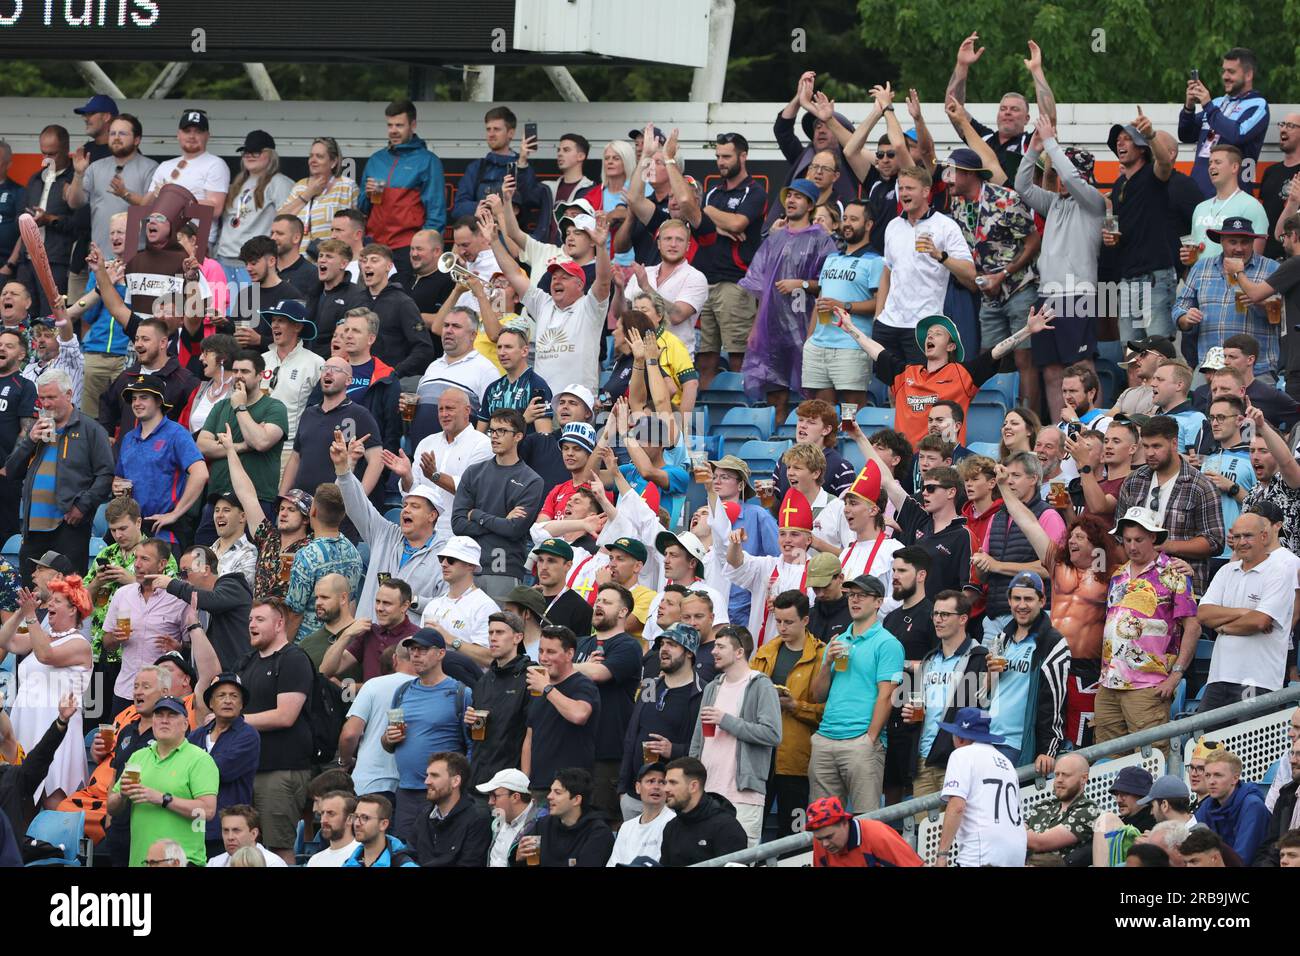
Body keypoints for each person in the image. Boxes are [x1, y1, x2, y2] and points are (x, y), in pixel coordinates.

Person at [736, 177, 839, 420]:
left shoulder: (821, 239)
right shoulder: (774, 239)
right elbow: (761, 288)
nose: (791, 201)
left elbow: (830, 284)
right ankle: (778, 448)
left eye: (798, 197)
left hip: (807, 328)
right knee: (776, 397)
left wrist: (801, 284)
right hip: (773, 329)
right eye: (789, 196)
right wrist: (755, 329)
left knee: (811, 398)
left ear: (811, 205)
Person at [487, 207, 612, 396]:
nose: (557, 281)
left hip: (577, 402)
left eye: (564, 277)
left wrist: (601, 247)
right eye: (554, 277)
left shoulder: (590, 307)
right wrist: (495, 241)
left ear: (580, 284)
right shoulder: (543, 304)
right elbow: (513, 273)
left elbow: (603, 281)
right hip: (541, 404)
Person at [808, 574, 902, 815]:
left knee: (866, 822)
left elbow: (887, 695)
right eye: (851, 595)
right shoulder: (837, 641)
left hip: (860, 740)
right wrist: (827, 661)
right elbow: (817, 695)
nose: (855, 600)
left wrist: (869, 739)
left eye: (862, 595)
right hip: (826, 737)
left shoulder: (887, 643)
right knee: (822, 821)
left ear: (879, 602)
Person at [7, 368, 114, 579]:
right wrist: (30, 440)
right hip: (33, 529)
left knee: (67, 593)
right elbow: (11, 471)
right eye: (41, 398)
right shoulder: (36, 429)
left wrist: (82, 506)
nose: (45, 404)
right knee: (30, 592)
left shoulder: (90, 429)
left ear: (68, 394)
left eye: (51, 397)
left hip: (68, 526)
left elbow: (106, 474)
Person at [234, 598, 316, 865]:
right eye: (249, 620)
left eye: (259, 620)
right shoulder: (247, 663)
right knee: (246, 848)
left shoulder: (294, 658)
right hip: (249, 769)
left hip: (281, 770)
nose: (251, 625)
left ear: (279, 623)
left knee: (278, 848)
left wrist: (238, 721)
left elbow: (285, 715)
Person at [333, 431, 444, 626]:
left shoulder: (444, 555)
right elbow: (357, 503)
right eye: (405, 505)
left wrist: (411, 601)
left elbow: (448, 605)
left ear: (432, 516)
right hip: (366, 639)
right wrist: (343, 468)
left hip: (408, 649)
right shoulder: (384, 533)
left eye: (415, 507)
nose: (406, 510)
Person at [0, 577, 92, 808]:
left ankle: (57, 844)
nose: (49, 604)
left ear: (74, 609)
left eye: (57, 601)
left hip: (56, 724)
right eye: (50, 599)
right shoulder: (42, 636)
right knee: (19, 799)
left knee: (54, 799)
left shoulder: (80, 644)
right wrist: (21, 613)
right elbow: (5, 640)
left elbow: (46, 655)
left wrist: (31, 617)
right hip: (27, 721)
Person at [1198, 511, 1297, 710]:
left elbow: (1260, 621)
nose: (1242, 542)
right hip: (1219, 676)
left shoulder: (1280, 571)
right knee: (1207, 738)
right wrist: (1244, 612)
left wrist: (1222, 627)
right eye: (1237, 536)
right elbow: (1203, 614)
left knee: (1247, 739)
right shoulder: (1226, 571)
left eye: (1248, 536)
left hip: (1258, 680)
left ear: (1264, 536)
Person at [1115, 415, 1225, 594]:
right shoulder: (1133, 481)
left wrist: (1167, 546)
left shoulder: (1200, 486)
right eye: (1146, 446)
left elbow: (1215, 541)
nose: (1149, 453)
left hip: (1182, 589)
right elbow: (1119, 537)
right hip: (1136, 587)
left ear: (1174, 444)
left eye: (1157, 446)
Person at [381, 628, 471, 841]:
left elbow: (472, 744)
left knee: (440, 853)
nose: (415, 655)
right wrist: (388, 739)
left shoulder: (460, 692)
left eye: (422, 650)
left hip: (443, 794)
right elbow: (387, 743)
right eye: (412, 650)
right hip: (407, 791)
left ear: (441, 653)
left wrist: (460, 787)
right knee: (405, 854)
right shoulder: (403, 691)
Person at [107, 695, 218, 867]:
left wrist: (162, 799)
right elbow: (112, 808)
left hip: (182, 861)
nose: (164, 720)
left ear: (185, 725)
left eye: (172, 715)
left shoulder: (200, 759)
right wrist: (122, 795)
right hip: (141, 861)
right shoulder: (137, 757)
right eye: (159, 715)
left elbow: (207, 811)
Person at [750, 590, 824, 840]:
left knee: (793, 834)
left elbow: (828, 711)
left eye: (788, 622)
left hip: (797, 759)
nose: (781, 627)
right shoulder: (765, 652)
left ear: (805, 620)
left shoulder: (821, 656)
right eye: (778, 621)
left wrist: (795, 706)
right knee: (752, 828)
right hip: (761, 755)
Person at [451, 409, 544, 600]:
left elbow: (514, 529)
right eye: (492, 431)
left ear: (518, 436)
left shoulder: (531, 480)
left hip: (505, 570)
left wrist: (477, 515)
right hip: (467, 566)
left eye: (502, 431)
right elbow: (458, 524)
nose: (494, 436)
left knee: (500, 628)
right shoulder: (473, 472)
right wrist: (500, 521)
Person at [618, 622, 705, 820]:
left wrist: (673, 750)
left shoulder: (702, 693)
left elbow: (705, 748)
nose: (664, 649)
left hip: (673, 800)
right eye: (663, 644)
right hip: (635, 795)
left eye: (672, 644)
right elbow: (632, 735)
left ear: (689, 652)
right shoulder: (650, 686)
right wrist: (623, 788)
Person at [977, 454, 1068, 641]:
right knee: (989, 671)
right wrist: (981, 564)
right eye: (1006, 475)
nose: (1008, 481)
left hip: (1033, 617)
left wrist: (997, 566)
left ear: (1033, 479)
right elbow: (983, 574)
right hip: (995, 617)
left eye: (1015, 476)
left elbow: (1052, 568)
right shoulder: (997, 516)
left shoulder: (1048, 515)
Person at [1173, 217, 1279, 374]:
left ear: (1253, 243)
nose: (1239, 248)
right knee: (1193, 395)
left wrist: (1261, 303)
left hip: (1256, 369)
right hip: (1211, 368)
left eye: (1245, 242)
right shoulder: (1202, 267)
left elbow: (1286, 313)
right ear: (1221, 241)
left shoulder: (1271, 268)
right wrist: (1185, 318)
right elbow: (1180, 305)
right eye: (1233, 242)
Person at [572, 583, 643, 816]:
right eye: (598, 601)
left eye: (607, 602)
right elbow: (553, 674)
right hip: (574, 747)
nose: (598, 605)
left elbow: (600, 674)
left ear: (623, 612)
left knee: (602, 818)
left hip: (607, 750)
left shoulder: (628, 645)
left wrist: (570, 668)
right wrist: (581, 667)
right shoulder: (581, 643)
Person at [1104, 113, 1177, 342]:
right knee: (1131, 354)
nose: (1120, 142)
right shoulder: (1119, 185)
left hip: (1154, 276)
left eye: (1127, 139)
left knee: (1158, 349)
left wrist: (1151, 135)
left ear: (1142, 148)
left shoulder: (1152, 175)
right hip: (1127, 278)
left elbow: (1165, 163)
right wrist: (1110, 237)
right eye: (1118, 139)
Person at [114, 373, 208, 546]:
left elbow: (201, 473)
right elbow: (119, 477)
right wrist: (117, 486)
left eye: (144, 397)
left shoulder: (176, 433)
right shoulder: (128, 438)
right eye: (134, 398)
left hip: (163, 533)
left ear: (159, 401)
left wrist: (176, 513)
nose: (136, 403)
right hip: (131, 532)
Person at [929, 706, 1026, 868]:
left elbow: (957, 806)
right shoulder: (1007, 763)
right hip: (1017, 849)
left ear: (960, 738)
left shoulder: (962, 754)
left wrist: (942, 854)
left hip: (982, 850)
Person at [101, 537, 189, 716]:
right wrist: (115, 638)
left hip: (163, 694)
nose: (137, 565)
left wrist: (178, 648)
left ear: (162, 564)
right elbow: (106, 643)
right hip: (126, 690)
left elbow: (191, 647)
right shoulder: (122, 594)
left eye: (145, 559)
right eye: (136, 558)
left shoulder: (179, 598)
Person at [357, 100, 446, 276]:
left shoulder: (428, 161)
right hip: (374, 247)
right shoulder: (376, 160)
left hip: (406, 249)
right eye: (389, 125)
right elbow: (362, 209)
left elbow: (436, 213)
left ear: (413, 125)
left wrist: (422, 250)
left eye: (399, 125)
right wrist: (367, 195)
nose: (393, 130)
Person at [522, 625, 599, 804]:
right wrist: (525, 781)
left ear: (570, 654)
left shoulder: (582, 685)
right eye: (541, 651)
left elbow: (579, 715)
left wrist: (547, 688)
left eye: (551, 652)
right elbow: (529, 737)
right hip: (538, 787)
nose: (543, 658)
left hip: (570, 789)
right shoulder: (537, 688)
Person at [187, 672, 260, 859]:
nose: (228, 700)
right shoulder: (196, 735)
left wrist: (189, 771)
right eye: (221, 695)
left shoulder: (248, 735)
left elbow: (219, 771)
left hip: (228, 831)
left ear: (242, 704)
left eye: (234, 696)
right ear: (211, 703)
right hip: (193, 825)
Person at [1178, 47, 1269, 196]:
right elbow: (1186, 135)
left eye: (1231, 72)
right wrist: (1189, 107)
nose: (1225, 76)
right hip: (1197, 194)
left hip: (1232, 197)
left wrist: (1208, 106)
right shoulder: (1218, 102)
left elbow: (1237, 134)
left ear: (1248, 75)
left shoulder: (1258, 105)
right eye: (1224, 71)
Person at [336, 643, 417, 804]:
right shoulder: (431, 689)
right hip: (413, 786)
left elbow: (350, 734)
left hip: (369, 782)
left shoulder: (373, 685)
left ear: (395, 659)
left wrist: (344, 762)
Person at [156, 545, 252, 672]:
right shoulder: (200, 602)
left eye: (185, 572)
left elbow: (213, 600)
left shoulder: (232, 585)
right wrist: (182, 650)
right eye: (180, 574)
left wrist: (171, 584)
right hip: (210, 681)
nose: (181, 578)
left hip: (236, 678)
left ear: (206, 570)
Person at [465, 611, 531, 789]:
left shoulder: (530, 676)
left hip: (511, 781)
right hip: (479, 778)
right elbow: (476, 733)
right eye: (490, 632)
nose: (493, 638)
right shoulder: (484, 679)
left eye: (500, 632)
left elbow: (533, 734)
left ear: (518, 637)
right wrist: (470, 722)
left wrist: (525, 781)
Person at [320, 579, 419, 685]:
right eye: (377, 601)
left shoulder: (416, 638)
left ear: (404, 606)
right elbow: (325, 670)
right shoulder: (369, 632)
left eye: (387, 603)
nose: (379, 608)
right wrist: (347, 633)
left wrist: (350, 688)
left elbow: (408, 686)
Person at [419, 535, 498, 667]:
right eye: (441, 558)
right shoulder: (433, 606)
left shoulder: (485, 606)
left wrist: (450, 639)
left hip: (467, 685)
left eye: (451, 560)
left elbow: (491, 659)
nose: (444, 563)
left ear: (470, 565)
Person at [511, 768, 614, 868]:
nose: (549, 796)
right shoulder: (542, 825)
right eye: (551, 791)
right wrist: (520, 860)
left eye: (557, 792)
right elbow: (532, 863)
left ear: (576, 800)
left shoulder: (599, 833)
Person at [658, 756, 748, 866]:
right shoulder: (671, 827)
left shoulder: (726, 826)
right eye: (665, 782)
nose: (665, 789)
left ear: (693, 786)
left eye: (673, 782)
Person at [407, 751, 491, 867]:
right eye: (427, 775)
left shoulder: (477, 818)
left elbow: (470, 863)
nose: (427, 781)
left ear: (455, 781)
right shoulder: (425, 815)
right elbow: (408, 852)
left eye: (434, 775)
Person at [1194, 748, 1270, 862]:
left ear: (1235, 778)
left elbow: (1240, 860)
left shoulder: (1252, 806)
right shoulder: (1208, 804)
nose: (1211, 781)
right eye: (1207, 775)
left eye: (1218, 775)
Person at [1023, 752, 1097, 866]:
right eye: (1057, 774)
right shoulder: (1045, 805)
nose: (1059, 780)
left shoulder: (1087, 809)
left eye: (1066, 775)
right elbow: (1017, 831)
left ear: (1084, 778)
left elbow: (1040, 842)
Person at [607, 762, 675, 866]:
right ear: (638, 787)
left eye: (662, 782)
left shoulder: (674, 823)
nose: (656, 786)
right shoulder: (626, 827)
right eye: (650, 781)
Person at [477, 768, 539, 867]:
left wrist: (518, 861)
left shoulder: (538, 826)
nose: (490, 802)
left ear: (515, 797)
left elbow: (534, 863)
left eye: (494, 796)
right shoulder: (495, 821)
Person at [343, 793, 419, 867]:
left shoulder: (403, 864)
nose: (356, 823)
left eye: (365, 818)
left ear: (383, 824)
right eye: (356, 817)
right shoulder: (349, 863)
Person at [206, 804, 289, 867]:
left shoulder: (273, 863)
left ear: (254, 834)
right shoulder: (214, 863)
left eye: (236, 830)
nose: (230, 837)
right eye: (226, 830)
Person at [307, 790, 360, 867]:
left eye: (331, 814)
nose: (323, 820)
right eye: (322, 813)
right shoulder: (315, 860)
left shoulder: (364, 855)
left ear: (350, 819)